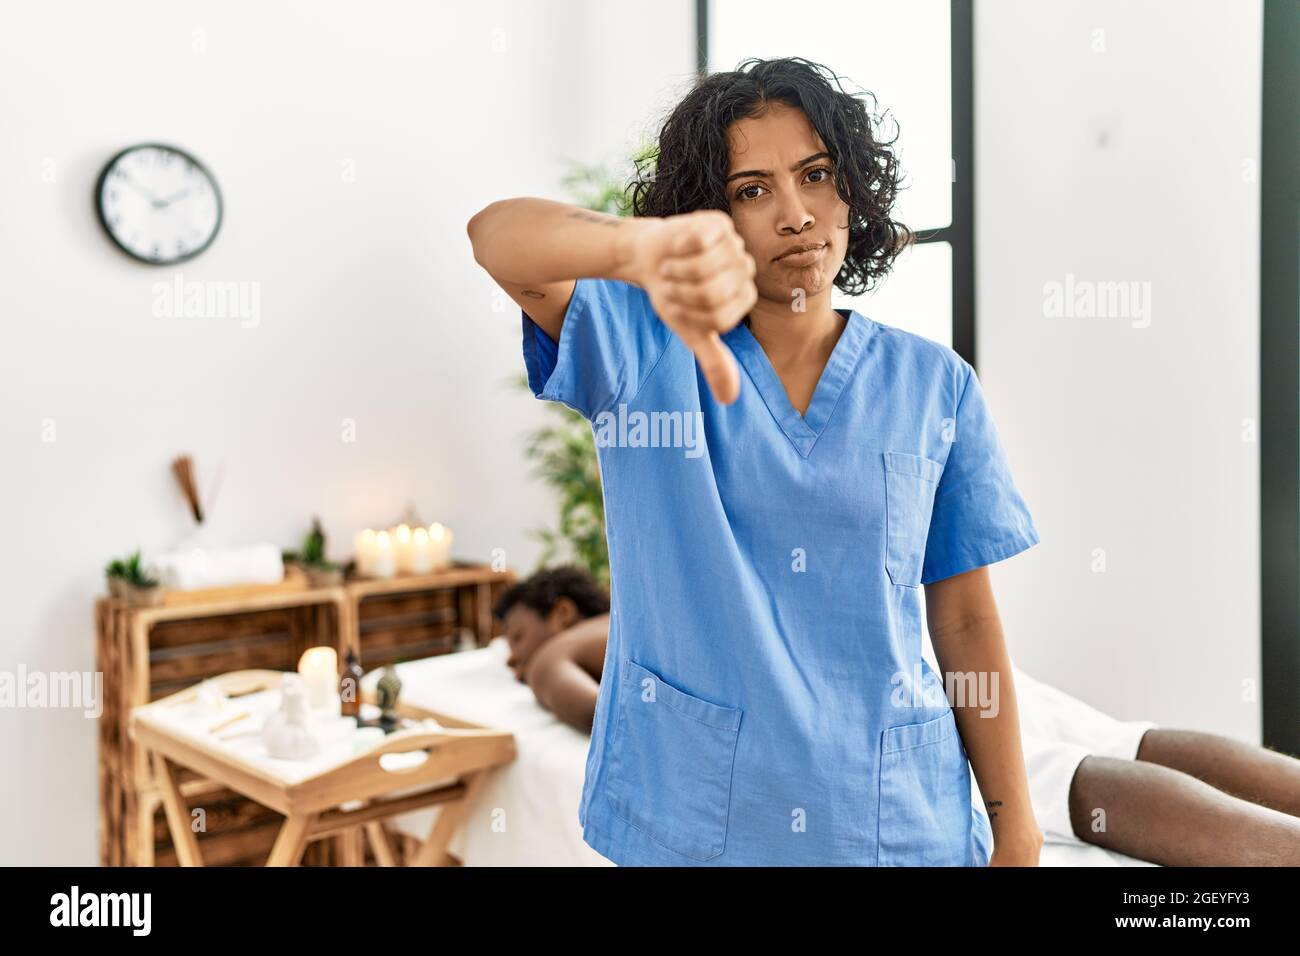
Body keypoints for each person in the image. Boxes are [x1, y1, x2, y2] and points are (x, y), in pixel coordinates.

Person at [469, 56, 1045, 866]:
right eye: (751, 191)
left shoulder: (934, 385)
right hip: (700, 820)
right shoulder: (642, 349)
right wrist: (642, 249)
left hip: (893, 821)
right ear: (711, 217)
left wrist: (1014, 829)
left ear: (853, 190)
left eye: (815, 175)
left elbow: (964, 618)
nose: (796, 215)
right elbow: (495, 239)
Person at [502, 567, 1300, 866]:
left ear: (562, 606)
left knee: (1066, 785)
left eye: (513, 636)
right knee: (1126, 740)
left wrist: (552, 669)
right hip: (935, 653)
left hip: (896, 689)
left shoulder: (598, 626)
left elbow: (566, 688)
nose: (510, 659)